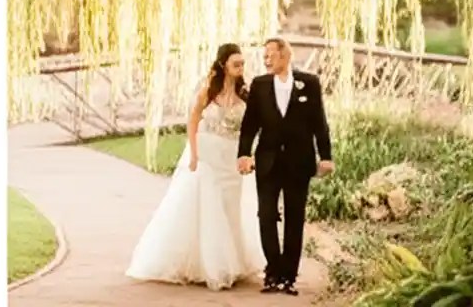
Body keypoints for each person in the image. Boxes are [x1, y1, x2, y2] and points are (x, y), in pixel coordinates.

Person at [126, 43, 266, 290]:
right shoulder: (207, 92)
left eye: (242, 63)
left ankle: (232, 262)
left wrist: (251, 154)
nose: (240, 67)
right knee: (208, 205)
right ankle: (211, 266)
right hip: (207, 155)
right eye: (236, 63)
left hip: (231, 158)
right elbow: (192, 121)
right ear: (223, 65)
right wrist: (193, 154)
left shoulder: (246, 94)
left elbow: (255, 127)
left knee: (230, 208)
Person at [236, 37, 334, 295]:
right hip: (267, 162)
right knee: (266, 215)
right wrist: (244, 154)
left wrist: (326, 156)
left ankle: (288, 277)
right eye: (265, 55)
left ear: (285, 56)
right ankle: (273, 271)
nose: (266, 59)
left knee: (295, 218)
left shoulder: (309, 83)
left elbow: (319, 123)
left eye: (270, 54)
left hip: (298, 162)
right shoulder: (259, 85)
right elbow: (249, 124)